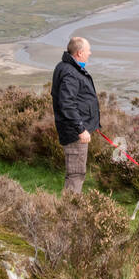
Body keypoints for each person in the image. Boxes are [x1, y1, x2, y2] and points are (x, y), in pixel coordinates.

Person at [51, 36, 100, 194]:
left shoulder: (67, 66)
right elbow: (67, 104)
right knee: (76, 174)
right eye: (88, 50)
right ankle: (70, 215)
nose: (90, 53)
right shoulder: (71, 72)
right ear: (79, 53)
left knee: (76, 173)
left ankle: (69, 212)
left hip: (75, 129)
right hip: (74, 133)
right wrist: (80, 128)